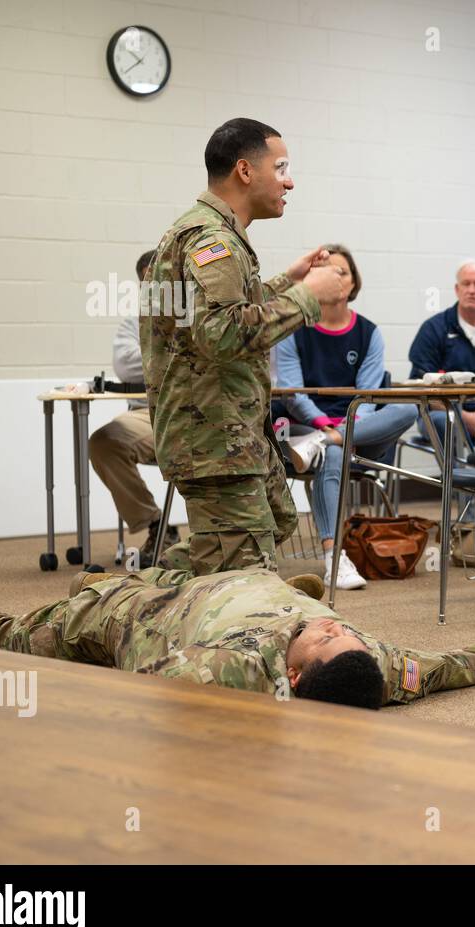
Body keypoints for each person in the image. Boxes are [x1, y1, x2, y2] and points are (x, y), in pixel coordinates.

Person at [141, 117, 344, 579]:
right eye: (282, 167)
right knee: (244, 579)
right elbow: (223, 333)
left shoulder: (213, 231)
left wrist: (287, 282)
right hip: (214, 440)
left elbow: (213, 316)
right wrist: (309, 297)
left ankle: (129, 592)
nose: (289, 181)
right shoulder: (211, 239)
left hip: (229, 432)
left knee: (274, 520)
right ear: (245, 172)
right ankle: (125, 608)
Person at [0, 560, 475, 711]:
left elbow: (130, 703)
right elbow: (447, 667)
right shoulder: (380, 666)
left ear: (295, 677)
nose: (335, 626)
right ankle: (117, 579)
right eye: (343, 630)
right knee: (238, 571)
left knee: (77, 620)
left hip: (154, 615)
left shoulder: (228, 672)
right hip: (237, 585)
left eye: (325, 638)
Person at [272, 244, 418, 590]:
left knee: (408, 408)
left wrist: (343, 428)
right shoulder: (293, 330)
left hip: (356, 429)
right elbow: (293, 395)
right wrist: (322, 424)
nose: (334, 277)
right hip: (305, 426)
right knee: (334, 454)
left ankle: (328, 442)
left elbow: (368, 397)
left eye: (342, 271)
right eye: (325, 271)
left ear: (353, 284)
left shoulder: (369, 332)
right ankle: (334, 556)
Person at [89, 250, 180, 556]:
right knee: (105, 442)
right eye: (146, 283)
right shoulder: (134, 323)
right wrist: (178, 357)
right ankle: (157, 523)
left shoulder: (199, 315)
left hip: (192, 415)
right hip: (147, 413)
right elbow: (126, 366)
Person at [408, 260, 475, 439]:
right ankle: (456, 468)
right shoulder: (433, 329)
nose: (471, 290)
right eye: (466, 283)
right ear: (457, 289)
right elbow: (422, 388)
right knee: (447, 421)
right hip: (439, 413)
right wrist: (464, 417)